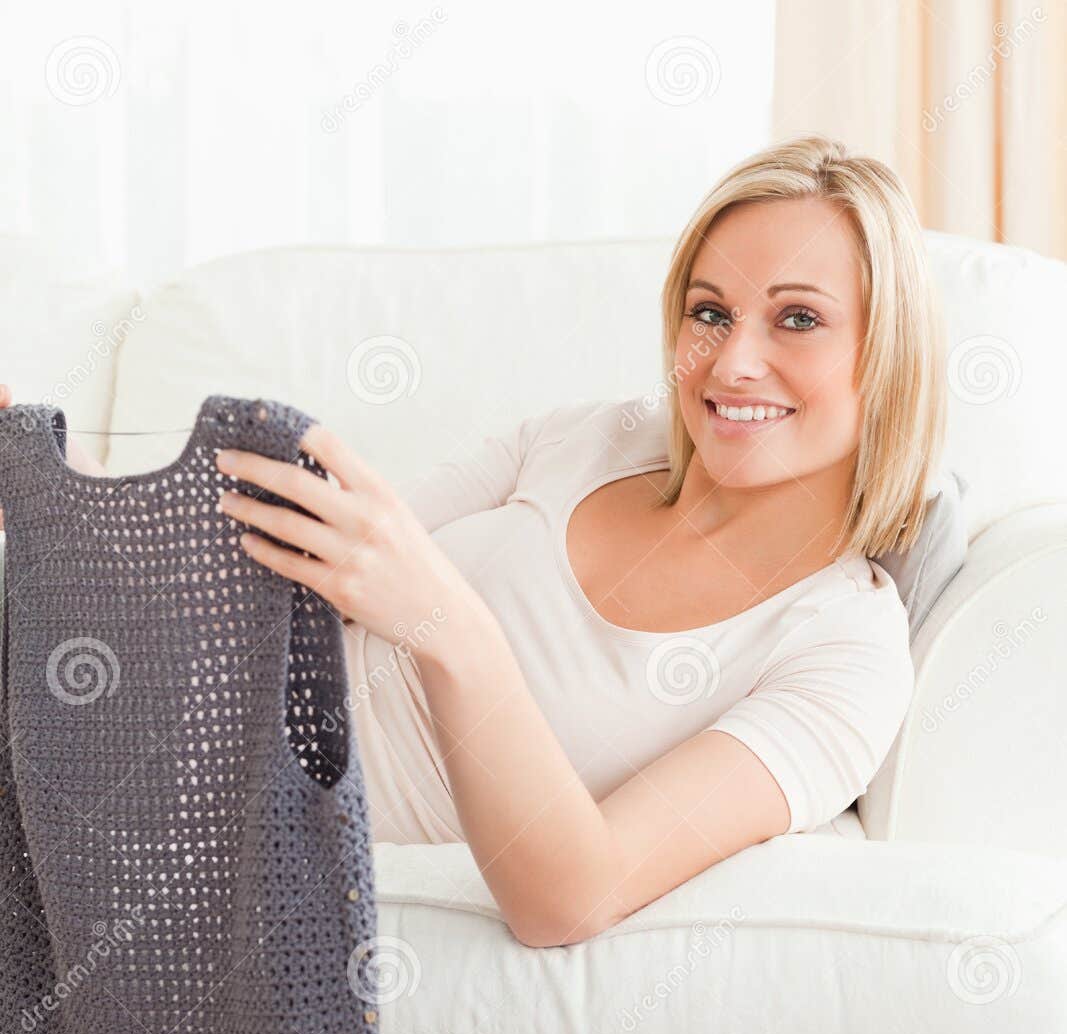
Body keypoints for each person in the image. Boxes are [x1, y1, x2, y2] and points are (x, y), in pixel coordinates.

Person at [0, 134, 945, 949]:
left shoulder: (842, 655)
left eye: (797, 319)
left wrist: (449, 628)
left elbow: (570, 898)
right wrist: (56, 488)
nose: (733, 361)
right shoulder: (592, 439)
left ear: (887, 354)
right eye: (709, 312)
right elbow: (267, 575)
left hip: (179, 822)